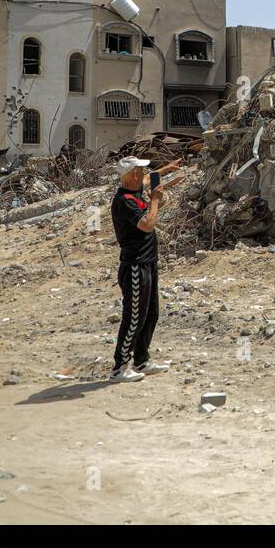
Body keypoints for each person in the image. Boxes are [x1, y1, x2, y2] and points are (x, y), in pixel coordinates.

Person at [109, 155, 181, 382]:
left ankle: (142, 359)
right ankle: (119, 367)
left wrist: (167, 169)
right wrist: (156, 201)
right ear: (133, 175)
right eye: (139, 171)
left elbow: (151, 179)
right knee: (134, 317)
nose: (143, 174)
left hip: (148, 261)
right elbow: (148, 225)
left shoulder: (135, 189)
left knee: (151, 313)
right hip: (135, 265)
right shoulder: (125, 201)